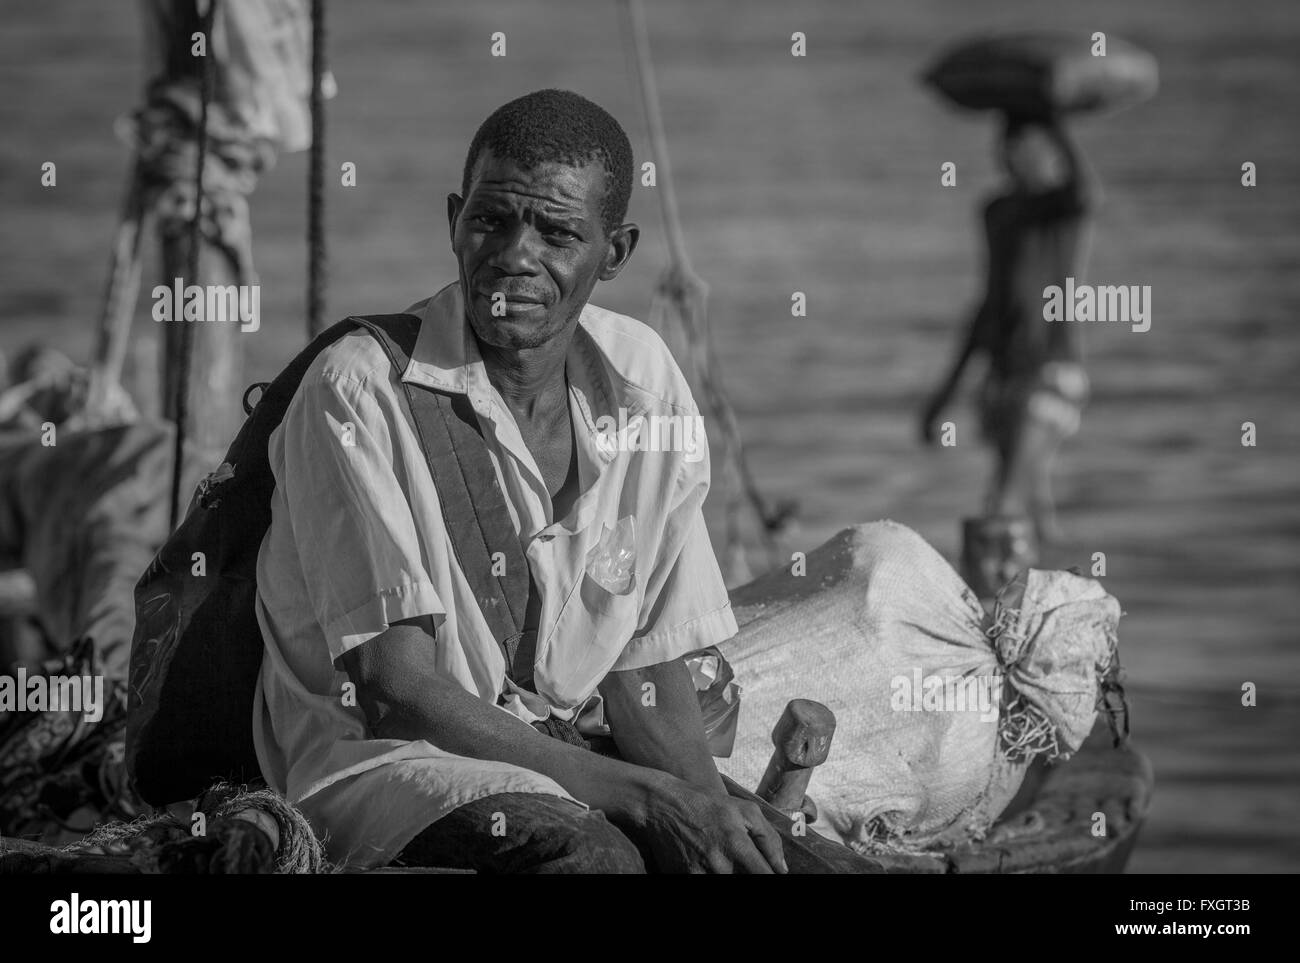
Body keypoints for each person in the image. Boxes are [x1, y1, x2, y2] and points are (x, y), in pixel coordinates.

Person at [251, 89, 797, 874]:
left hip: (568, 761)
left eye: (557, 232)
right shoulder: (359, 390)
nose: (514, 254)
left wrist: (710, 811)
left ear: (615, 252)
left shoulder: (642, 379)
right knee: (592, 858)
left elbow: (643, 667)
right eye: (490, 220)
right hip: (386, 769)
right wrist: (643, 799)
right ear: (453, 220)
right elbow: (393, 686)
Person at [921, 114, 1094, 555]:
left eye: (1030, 145)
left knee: (1003, 504)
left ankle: (989, 607)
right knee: (1032, 511)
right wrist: (947, 392)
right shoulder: (998, 213)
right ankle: (1048, 603)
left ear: (1052, 152)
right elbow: (988, 306)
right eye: (1010, 145)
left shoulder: (1060, 213)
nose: (1015, 154)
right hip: (1003, 379)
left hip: (1051, 373)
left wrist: (1052, 118)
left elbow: (1083, 193)